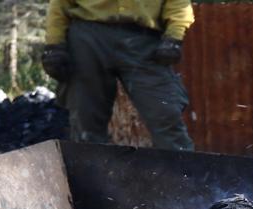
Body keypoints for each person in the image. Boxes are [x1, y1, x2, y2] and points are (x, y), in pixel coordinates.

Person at [41, 0, 196, 151]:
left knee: (165, 113)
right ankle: (89, 173)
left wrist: (174, 37)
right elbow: (60, 4)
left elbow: (178, 4)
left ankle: (184, 173)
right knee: (85, 121)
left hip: (144, 40)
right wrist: (54, 45)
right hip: (88, 36)